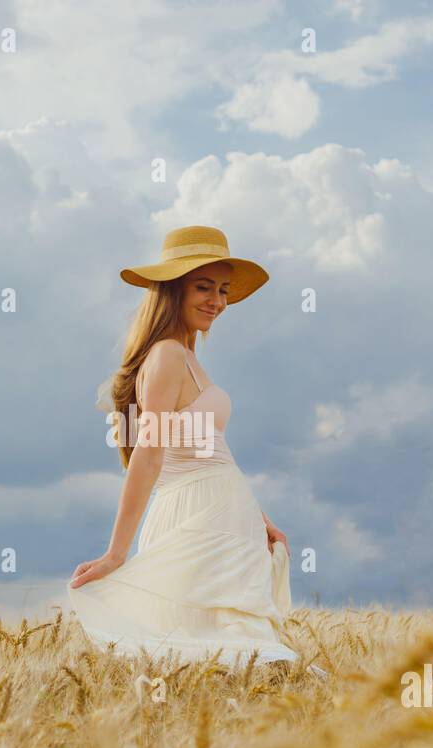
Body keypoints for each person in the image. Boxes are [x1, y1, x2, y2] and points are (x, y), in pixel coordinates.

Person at [66, 225, 324, 678]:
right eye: (203, 287)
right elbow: (149, 455)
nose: (217, 301)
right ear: (172, 290)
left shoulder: (186, 357)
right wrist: (115, 554)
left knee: (215, 643)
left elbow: (213, 449)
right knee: (207, 645)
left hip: (222, 510)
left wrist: (262, 520)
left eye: (223, 290)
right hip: (195, 510)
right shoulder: (166, 355)